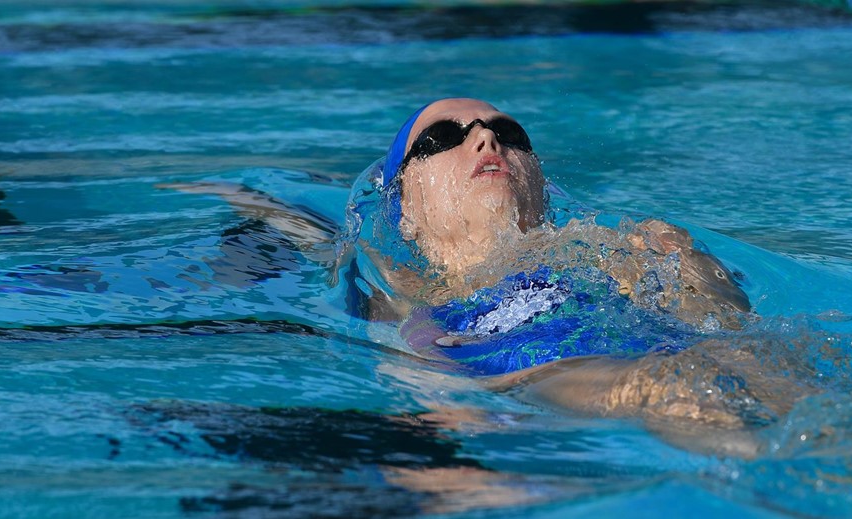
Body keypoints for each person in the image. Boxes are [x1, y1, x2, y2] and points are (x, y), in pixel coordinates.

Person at [170, 98, 804, 456]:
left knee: (763, 375)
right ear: (406, 210)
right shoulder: (398, 286)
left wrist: (693, 269)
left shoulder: (622, 249)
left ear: (540, 187)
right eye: (445, 136)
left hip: (717, 361)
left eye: (507, 132)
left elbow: (729, 328)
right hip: (565, 381)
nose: (484, 141)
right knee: (680, 387)